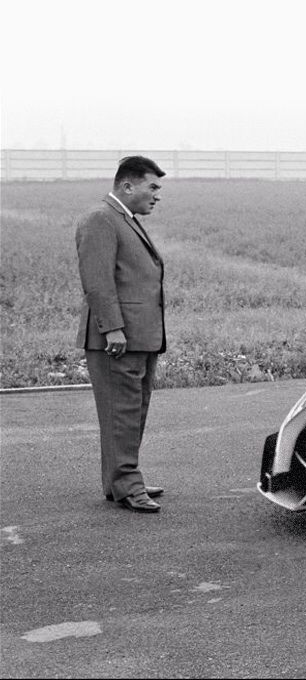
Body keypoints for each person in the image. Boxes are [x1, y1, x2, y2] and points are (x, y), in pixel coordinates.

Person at [75, 155, 167, 513]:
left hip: (139, 337)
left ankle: (121, 481)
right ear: (127, 186)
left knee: (131, 411)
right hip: (118, 338)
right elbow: (97, 281)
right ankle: (128, 484)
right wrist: (112, 328)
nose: (157, 195)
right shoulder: (101, 219)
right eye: (152, 187)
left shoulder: (124, 218)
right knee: (121, 413)